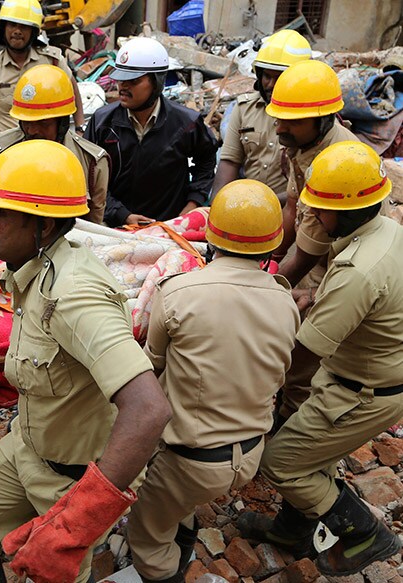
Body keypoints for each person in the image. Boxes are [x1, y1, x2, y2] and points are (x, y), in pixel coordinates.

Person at [0, 140, 171, 583]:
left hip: (73, 480)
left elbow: (149, 409)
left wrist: (75, 524)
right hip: (30, 448)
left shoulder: (75, 296)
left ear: (43, 224)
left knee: (54, 572)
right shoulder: (34, 267)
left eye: (0, 212)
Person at [237, 141, 403, 575]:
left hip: (361, 390)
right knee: (315, 457)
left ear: (345, 211)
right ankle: (292, 530)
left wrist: (240, 359)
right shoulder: (387, 232)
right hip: (371, 373)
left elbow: (302, 350)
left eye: (320, 210)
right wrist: (311, 294)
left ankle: (364, 532)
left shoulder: (357, 271)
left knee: (282, 464)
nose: (314, 217)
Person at [126, 180, 299, 582]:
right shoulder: (285, 301)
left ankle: (166, 570)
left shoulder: (178, 292)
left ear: (210, 236)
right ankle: (183, 545)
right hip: (249, 454)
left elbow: (150, 368)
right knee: (179, 504)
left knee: (147, 532)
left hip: (192, 459)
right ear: (272, 246)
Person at [263, 59, 357, 422]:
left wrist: (263, 289)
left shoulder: (333, 161)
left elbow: (307, 255)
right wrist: (270, 257)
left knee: (301, 352)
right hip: (311, 246)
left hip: (334, 261)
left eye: (292, 121)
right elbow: (292, 207)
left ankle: (291, 425)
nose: (280, 128)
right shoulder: (302, 142)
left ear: (324, 119)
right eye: (279, 117)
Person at [84, 37, 218, 227]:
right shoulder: (102, 123)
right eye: (120, 79)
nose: (122, 87)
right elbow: (89, 178)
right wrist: (122, 214)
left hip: (169, 230)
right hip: (113, 227)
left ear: (156, 82)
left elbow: (206, 160)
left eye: (133, 81)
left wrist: (193, 203)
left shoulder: (186, 123)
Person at [0, 0, 84, 195]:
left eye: (24, 26)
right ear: (2, 28)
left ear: (34, 32)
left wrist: (80, 130)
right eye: (12, 25)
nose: (17, 31)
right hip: (7, 157)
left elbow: (74, 94)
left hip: (49, 154)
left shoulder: (53, 60)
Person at [0, 64, 109, 224]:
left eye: (43, 123)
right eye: (26, 122)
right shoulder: (1, 152)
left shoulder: (92, 163)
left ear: (62, 123)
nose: (32, 130)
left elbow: (94, 227)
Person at [212, 30, 311, 198]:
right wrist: (218, 207)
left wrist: (263, 204)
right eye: (266, 76)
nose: (271, 84)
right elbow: (229, 162)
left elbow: (309, 186)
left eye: (279, 78)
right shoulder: (244, 108)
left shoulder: (311, 118)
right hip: (246, 204)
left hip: (289, 210)